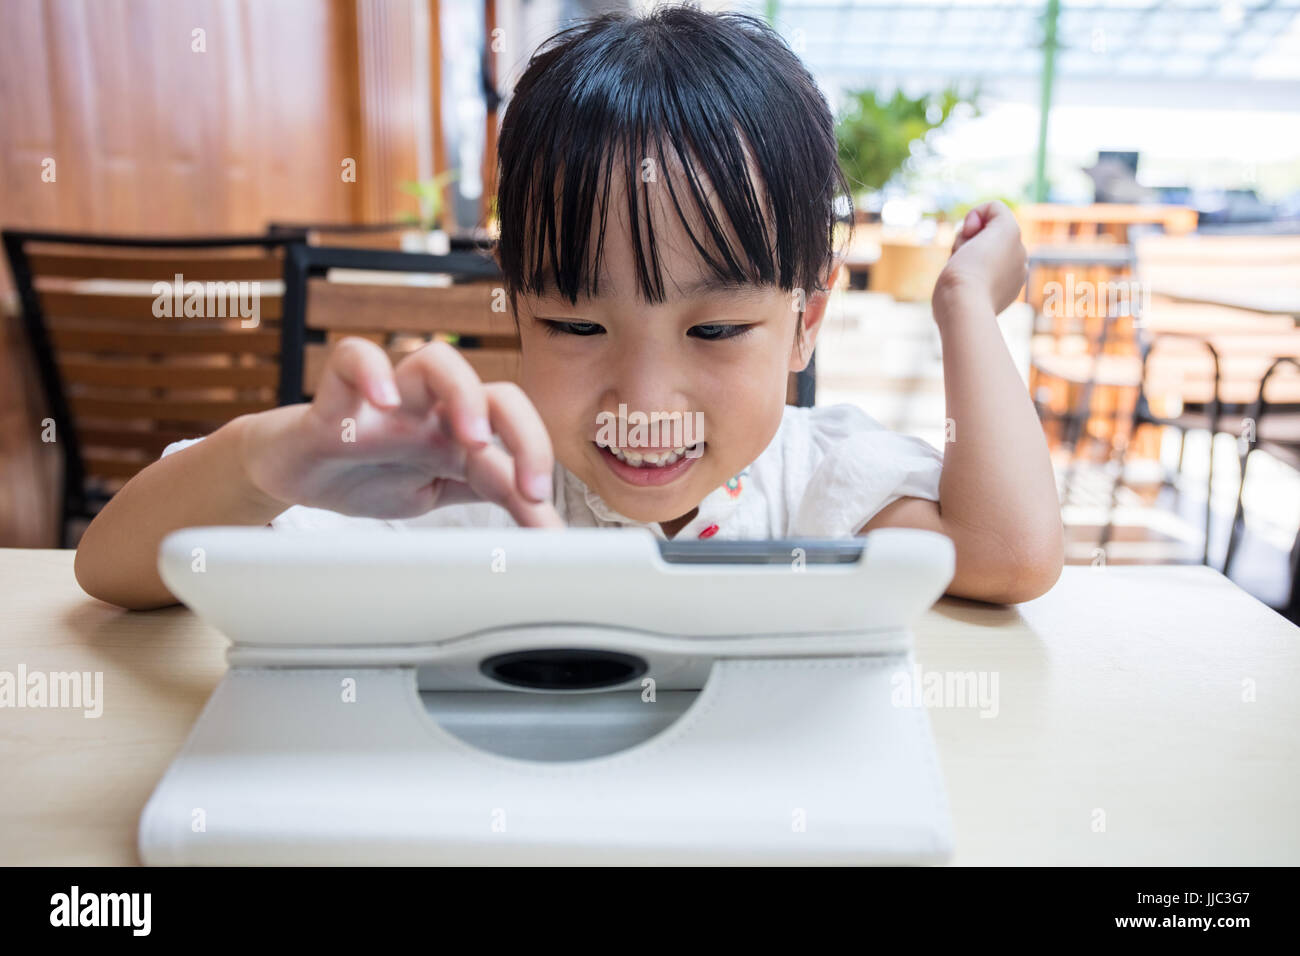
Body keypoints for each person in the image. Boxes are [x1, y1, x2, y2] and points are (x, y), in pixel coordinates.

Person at [75, 6, 1062, 610]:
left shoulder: (819, 487)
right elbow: (114, 568)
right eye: (577, 326)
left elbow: (1007, 556)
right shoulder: (452, 491)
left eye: (714, 329)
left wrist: (966, 303)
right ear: (516, 308)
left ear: (806, 320)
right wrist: (273, 456)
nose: (643, 395)